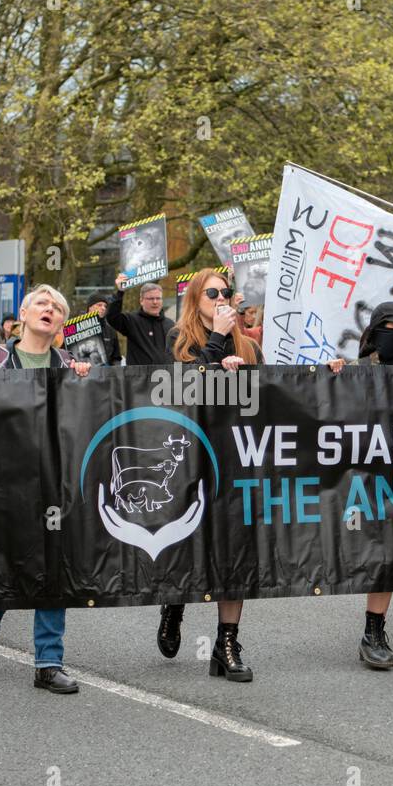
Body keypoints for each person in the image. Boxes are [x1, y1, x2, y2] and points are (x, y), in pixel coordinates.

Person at [0, 284, 92, 694]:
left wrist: (87, 384)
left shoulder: (68, 364)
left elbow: (85, 423)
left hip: (55, 486)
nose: (50, 309)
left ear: (62, 323)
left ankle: (48, 662)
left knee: (54, 570)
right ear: (23, 315)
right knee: (7, 565)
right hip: (3, 483)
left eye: (57, 307)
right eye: (42, 303)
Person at [156, 271, 261, 680]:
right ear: (195, 299)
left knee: (235, 553)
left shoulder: (248, 345)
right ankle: (174, 605)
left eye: (225, 293)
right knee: (185, 543)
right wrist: (216, 341)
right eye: (211, 292)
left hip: (234, 459)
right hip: (189, 458)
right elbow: (185, 391)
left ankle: (226, 644)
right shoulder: (177, 339)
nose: (221, 298)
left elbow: (271, 397)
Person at [326, 301, 393, 669]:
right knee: (378, 554)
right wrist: (328, 378)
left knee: (391, 555)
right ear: (379, 331)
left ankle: (374, 632)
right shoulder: (355, 371)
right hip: (361, 481)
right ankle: (373, 633)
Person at [104, 280, 172, 365]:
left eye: (158, 298)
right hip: (138, 373)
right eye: (151, 299)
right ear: (141, 301)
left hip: (166, 373)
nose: (155, 302)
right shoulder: (131, 321)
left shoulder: (170, 324)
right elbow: (112, 317)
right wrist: (120, 292)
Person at [86, 294, 121, 365]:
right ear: (90, 307)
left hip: (105, 370)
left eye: (105, 306)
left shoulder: (111, 331)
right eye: (99, 305)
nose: (103, 308)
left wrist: (115, 370)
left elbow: (116, 358)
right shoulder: (75, 328)